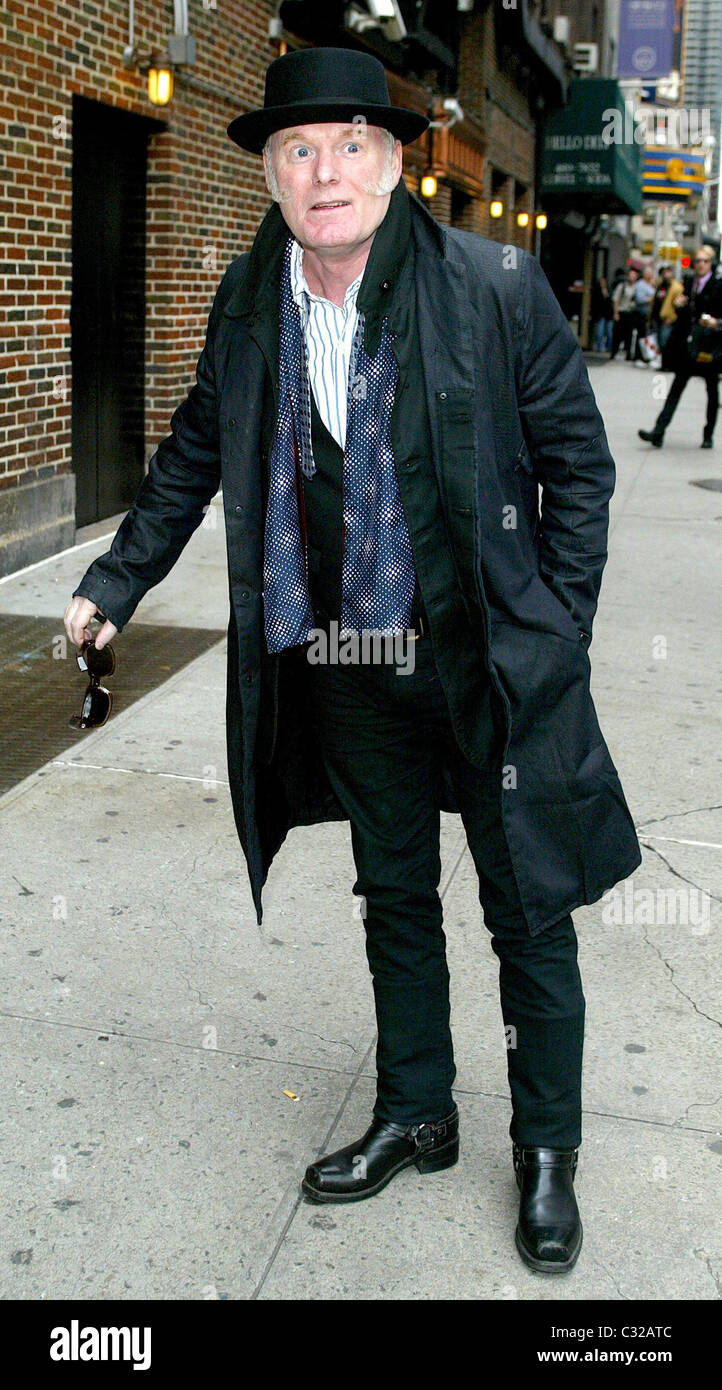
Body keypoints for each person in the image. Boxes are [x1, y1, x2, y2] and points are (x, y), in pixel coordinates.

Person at [63, 47, 642, 1275]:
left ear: (391, 162)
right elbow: (188, 462)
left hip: (485, 659)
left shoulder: (493, 286)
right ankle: (416, 1111)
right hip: (346, 650)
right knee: (393, 898)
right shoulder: (246, 299)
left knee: (526, 908)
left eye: (347, 146)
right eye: (296, 151)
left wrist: (555, 631)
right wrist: (112, 584)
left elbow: (576, 477)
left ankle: (546, 1154)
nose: (323, 171)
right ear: (271, 176)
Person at [639, 246, 722, 448]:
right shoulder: (688, 283)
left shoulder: (718, 286)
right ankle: (658, 431)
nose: (700, 264)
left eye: (704, 261)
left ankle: (708, 434)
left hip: (708, 347)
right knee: (675, 389)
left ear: (710, 263)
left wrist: (716, 322)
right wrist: (680, 305)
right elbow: (683, 316)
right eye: (697, 261)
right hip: (689, 346)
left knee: (712, 392)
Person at [652, 264, 684, 360]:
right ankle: (663, 361)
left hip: (667, 317)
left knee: (664, 341)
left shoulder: (676, 287)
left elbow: (678, 304)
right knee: (659, 341)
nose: (665, 274)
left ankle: (667, 362)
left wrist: (672, 317)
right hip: (657, 316)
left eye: (667, 272)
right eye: (663, 272)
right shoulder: (660, 285)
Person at [610, 266, 639, 359]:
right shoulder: (622, 286)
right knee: (617, 334)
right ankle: (614, 351)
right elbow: (615, 299)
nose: (632, 278)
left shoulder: (637, 287)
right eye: (630, 276)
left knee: (629, 334)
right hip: (621, 311)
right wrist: (616, 312)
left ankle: (628, 354)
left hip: (630, 313)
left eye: (634, 276)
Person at [630, 265, 657, 365]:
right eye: (649, 273)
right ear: (645, 274)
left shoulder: (650, 284)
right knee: (641, 336)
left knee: (647, 336)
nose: (651, 274)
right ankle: (639, 357)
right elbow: (640, 299)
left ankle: (647, 356)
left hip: (649, 315)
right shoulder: (640, 285)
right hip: (641, 314)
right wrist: (651, 299)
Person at [591, 275, 613, 353]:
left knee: (609, 332)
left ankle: (609, 347)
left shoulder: (609, 291)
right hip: (600, 314)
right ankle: (599, 347)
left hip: (608, 314)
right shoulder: (597, 291)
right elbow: (595, 303)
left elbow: (611, 302)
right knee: (599, 332)